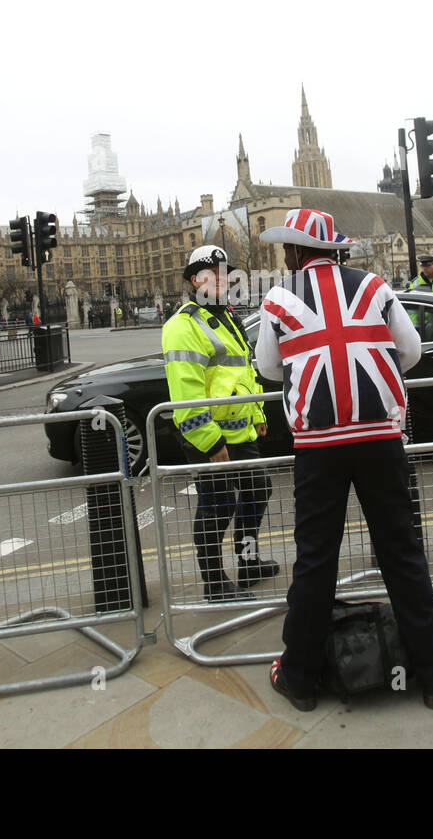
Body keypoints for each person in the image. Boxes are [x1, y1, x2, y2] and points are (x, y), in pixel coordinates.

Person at [255, 209, 433, 712]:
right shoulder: (374, 286)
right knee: (401, 551)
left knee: (316, 558)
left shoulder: (279, 299)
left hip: (318, 447)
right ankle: (432, 675)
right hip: (379, 440)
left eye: (287, 249)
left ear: (299, 252)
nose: (284, 257)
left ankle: (298, 677)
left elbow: (268, 368)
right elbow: (411, 352)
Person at [161, 244, 279, 602]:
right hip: (209, 438)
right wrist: (211, 442)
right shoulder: (183, 326)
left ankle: (248, 562)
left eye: (226, 273)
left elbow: (244, 371)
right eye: (214, 274)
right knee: (218, 505)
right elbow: (186, 394)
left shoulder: (228, 316)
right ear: (196, 280)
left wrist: (258, 414)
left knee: (258, 491)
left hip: (240, 432)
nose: (223, 279)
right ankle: (214, 582)